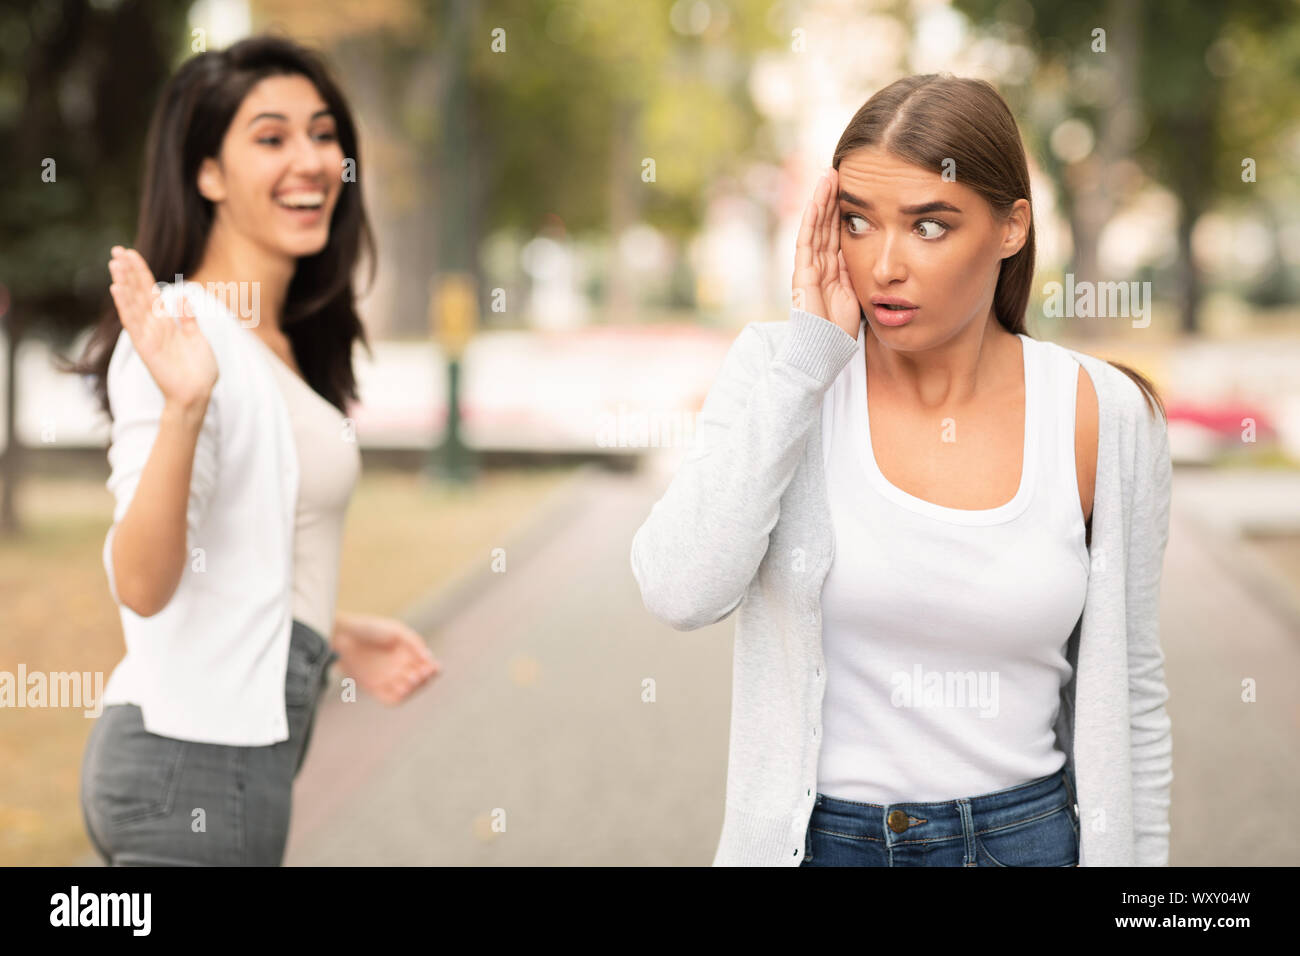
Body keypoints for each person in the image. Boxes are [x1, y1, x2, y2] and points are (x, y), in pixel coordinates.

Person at [630, 74, 1173, 867]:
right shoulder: (782, 375)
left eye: (929, 225)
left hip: (1028, 842)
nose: (883, 264)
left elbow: (1134, 699)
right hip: (821, 846)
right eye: (857, 221)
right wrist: (807, 364)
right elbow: (679, 590)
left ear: (1012, 227)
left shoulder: (1103, 415)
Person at [64, 34, 439, 866]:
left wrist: (330, 634)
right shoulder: (177, 333)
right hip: (192, 774)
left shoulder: (268, 339)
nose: (309, 160)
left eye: (323, 133)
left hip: (213, 767)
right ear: (207, 173)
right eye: (270, 137)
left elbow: (230, 558)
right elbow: (143, 582)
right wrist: (185, 406)